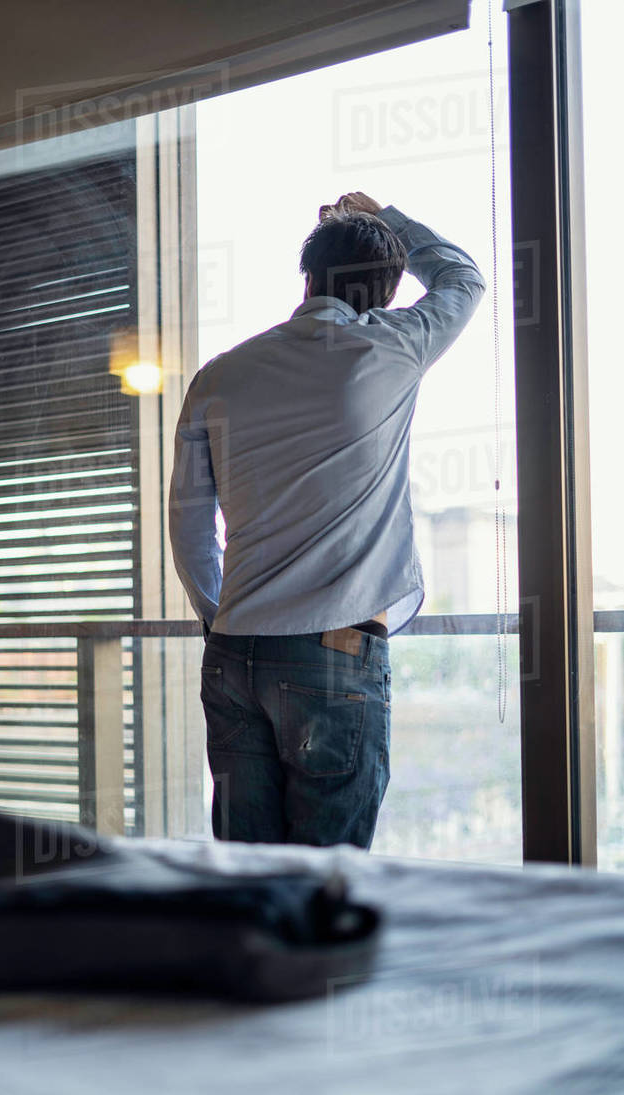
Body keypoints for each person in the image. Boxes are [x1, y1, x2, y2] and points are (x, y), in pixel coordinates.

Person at [168, 191, 486, 847]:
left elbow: (188, 524)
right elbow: (461, 277)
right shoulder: (392, 347)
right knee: (327, 876)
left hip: (233, 653)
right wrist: (386, 216)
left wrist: (220, 616)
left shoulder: (219, 375)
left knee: (246, 874)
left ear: (307, 276)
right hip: (332, 653)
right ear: (388, 292)